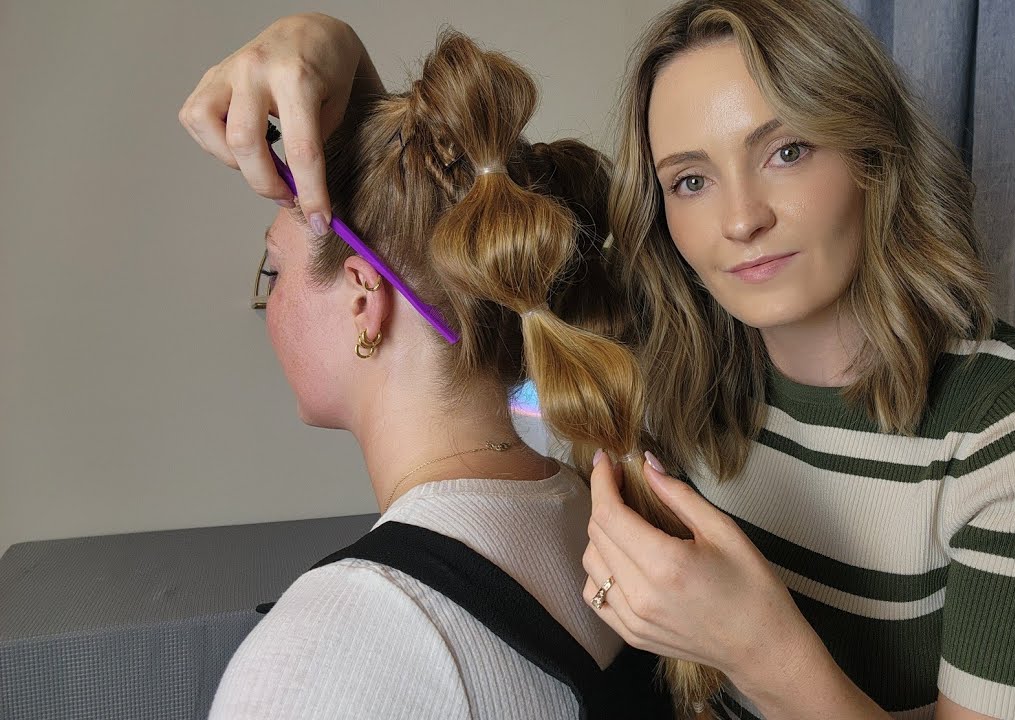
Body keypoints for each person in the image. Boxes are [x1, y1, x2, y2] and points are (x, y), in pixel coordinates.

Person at [181, 3, 1015, 718]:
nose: (740, 217)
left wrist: (762, 651)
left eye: (785, 150)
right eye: (691, 179)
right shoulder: (668, 372)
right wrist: (322, 39)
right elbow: (439, 227)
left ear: (874, 153)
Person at [195, 29, 670, 719]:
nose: (271, 297)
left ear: (365, 300)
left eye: (275, 266)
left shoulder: (324, 658)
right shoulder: (603, 515)